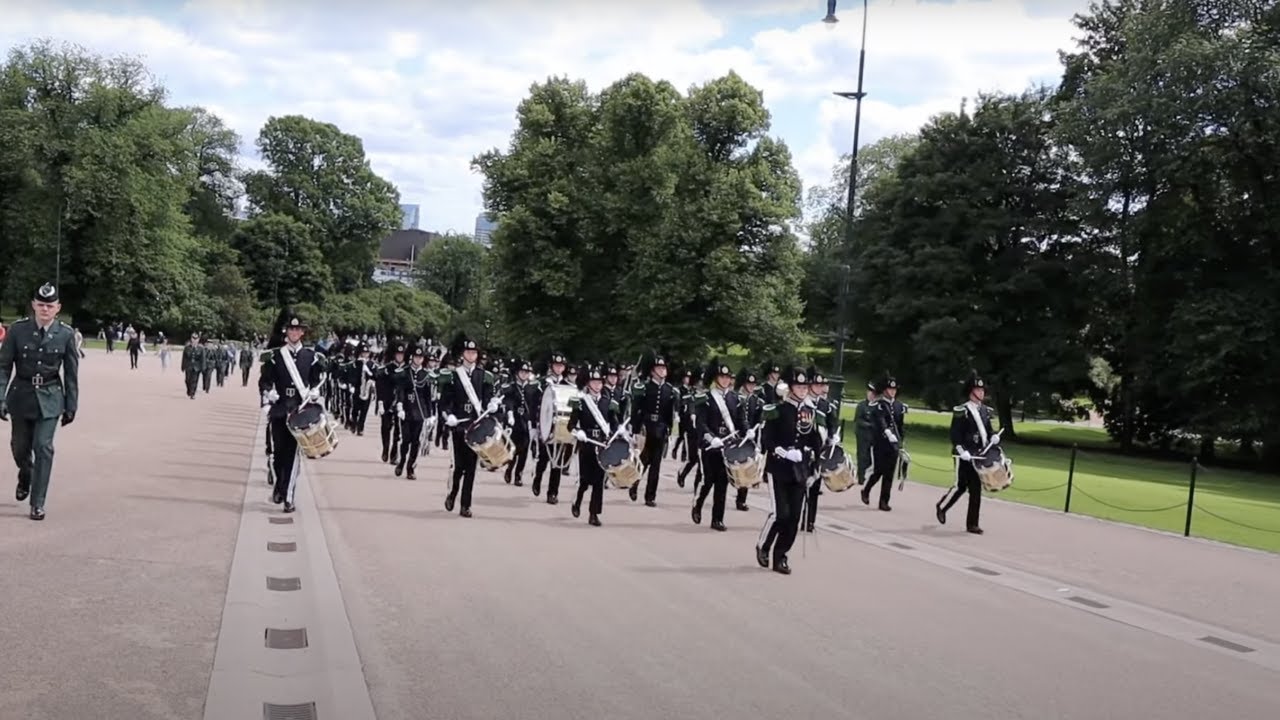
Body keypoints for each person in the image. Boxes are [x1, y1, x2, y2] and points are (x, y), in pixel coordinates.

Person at [0, 283, 80, 520]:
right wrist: (0, 396)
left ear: (58, 308)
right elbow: (3, 367)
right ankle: (26, 473)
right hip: (21, 394)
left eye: (50, 305)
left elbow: (72, 374)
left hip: (50, 397)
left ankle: (38, 503)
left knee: (44, 448)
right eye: (41, 304)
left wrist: (71, 405)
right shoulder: (17, 330)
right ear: (34, 305)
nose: (45, 309)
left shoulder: (65, 334)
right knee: (19, 447)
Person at [258, 310, 326, 513]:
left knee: (293, 455)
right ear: (286, 331)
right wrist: (267, 396)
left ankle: (289, 497)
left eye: (298, 329)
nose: (294, 332)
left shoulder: (312, 356)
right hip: (280, 408)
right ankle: (280, 484)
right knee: (278, 453)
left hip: (300, 410)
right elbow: (265, 380)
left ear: (302, 332)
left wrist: (315, 390)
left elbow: (317, 379)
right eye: (291, 329)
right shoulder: (276, 355)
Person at [755, 367, 821, 575]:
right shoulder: (777, 410)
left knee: (794, 518)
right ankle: (764, 545)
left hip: (799, 470)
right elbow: (767, 439)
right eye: (798, 386)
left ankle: (780, 556)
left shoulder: (809, 412)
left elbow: (815, 440)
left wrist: (814, 460)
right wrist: (783, 452)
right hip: (779, 468)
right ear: (790, 388)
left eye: (804, 387)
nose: (802, 390)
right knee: (780, 514)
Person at [437, 334, 498, 517]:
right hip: (459, 426)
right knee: (458, 466)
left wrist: (493, 405)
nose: (471, 355)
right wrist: (448, 416)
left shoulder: (485, 376)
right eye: (468, 352)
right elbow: (444, 402)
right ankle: (453, 492)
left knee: (471, 467)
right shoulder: (453, 375)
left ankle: (465, 505)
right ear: (462, 354)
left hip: (476, 427)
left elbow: (488, 400)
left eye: (474, 352)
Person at [691, 359, 747, 532]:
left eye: (727, 377)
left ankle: (717, 519)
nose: (725, 380)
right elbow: (701, 424)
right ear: (716, 379)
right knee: (708, 480)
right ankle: (698, 504)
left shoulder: (735, 399)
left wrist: (748, 432)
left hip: (727, 446)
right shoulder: (706, 398)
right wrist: (710, 437)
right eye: (721, 377)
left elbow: (740, 421)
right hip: (709, 445)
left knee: (722, 483)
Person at [937, 371, 994, 534]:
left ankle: (972, 524)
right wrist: (961, 451)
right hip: (964, 455)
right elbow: (955, 435)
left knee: (976, 489)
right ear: (971, 391)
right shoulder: (962, 410)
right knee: (960, 486)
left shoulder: (985, 411)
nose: (982, 392)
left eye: (983, 390)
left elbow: (988, 431)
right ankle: (942, 506)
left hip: (978, 456)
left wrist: (994, 438)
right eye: (978, 389)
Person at [568, 365, 621, 527]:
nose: (597, 385)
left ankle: (594, 514)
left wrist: (619, 431)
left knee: (599, 481)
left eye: (599, 382)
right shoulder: (581, 401)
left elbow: (614, 424)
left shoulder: (609, 403)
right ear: (588, 383)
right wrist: (578, 432)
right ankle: (577, 500)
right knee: (585, 480)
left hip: (602, 445)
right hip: (586, 444)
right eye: (594, 382)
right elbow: (571, 425)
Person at [628, 352, 679, 507]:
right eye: (659, 367)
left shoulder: (670, 390)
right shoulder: (644, 388)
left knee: (656, 464)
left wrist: (669, 430)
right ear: (652, 370)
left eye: (664, 367)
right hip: (646, 428)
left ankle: (650, 496)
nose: (663, 370)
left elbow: (670, 413)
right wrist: (635, 431)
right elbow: (636, 411)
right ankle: (634, 483)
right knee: (643, 461)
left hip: (661, 429)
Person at [862, 374, 907, 512]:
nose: (892, 391)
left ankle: (884, 501)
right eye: (890, 389)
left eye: (894, 389)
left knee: (889, 473)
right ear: (885, 390)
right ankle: (866, 489)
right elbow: (881, 421)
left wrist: (901, 441)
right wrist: (887, 432)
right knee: (879, 471)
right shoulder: (880, 404)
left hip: (893, 444)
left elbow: (900, 425)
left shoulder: (899, 406)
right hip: (881, 442)